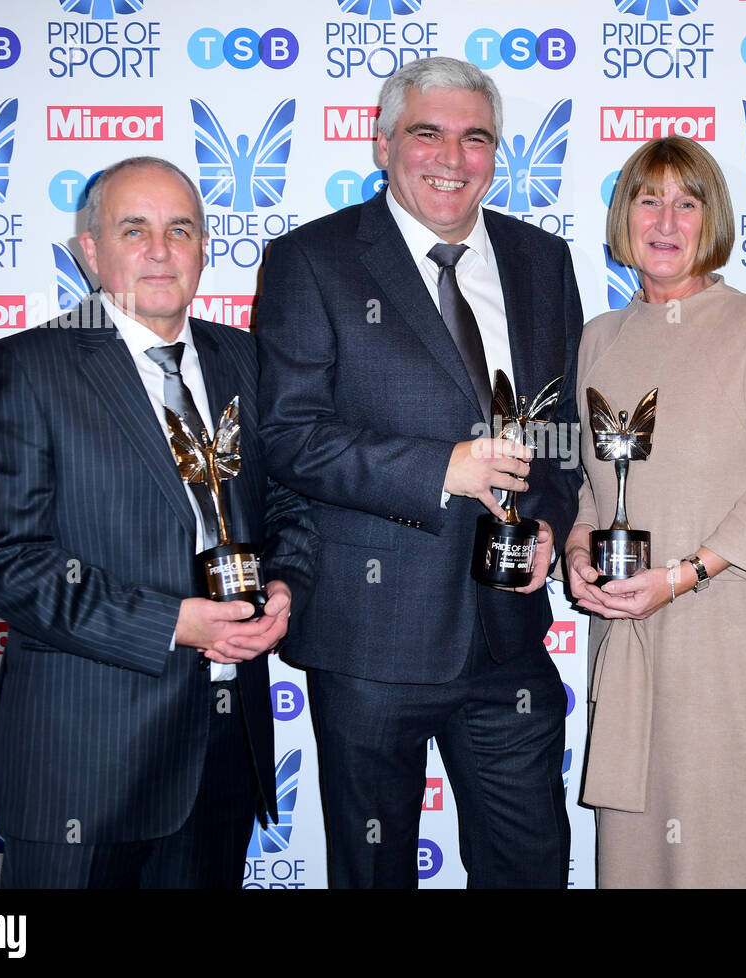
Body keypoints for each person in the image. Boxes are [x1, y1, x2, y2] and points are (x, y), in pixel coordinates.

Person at [256, 57, 583, 888]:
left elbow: (562, 432)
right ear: (382, 142)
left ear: (497, 152)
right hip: (369, 641)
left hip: (508, 641)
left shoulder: (542, 260)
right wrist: (444, 467)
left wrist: (545, 520)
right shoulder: (311, 260)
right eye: (427, 132)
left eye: (476, 137)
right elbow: (291, 436)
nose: (452, 156)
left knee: (533, 867)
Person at [0, 156, 311, 888]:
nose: (160, 250)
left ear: (205, 247)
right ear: (90, 250)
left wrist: (284, 585)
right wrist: (171, 623)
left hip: (222, 751)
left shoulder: (245, 359)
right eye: (134, 229)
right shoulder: (24, 367)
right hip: (83, 765)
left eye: (180, 229)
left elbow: (288, 503)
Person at [563, 136, 746, 888]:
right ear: (624, 215)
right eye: (649, 199)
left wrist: (678, 577)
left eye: (687, 201)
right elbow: (591, 486)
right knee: (636, 857)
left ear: (713, 219)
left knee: (724, 850)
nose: (666, 220)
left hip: (726, 637)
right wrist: (581, 553)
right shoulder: (600, 339)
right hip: (626, 634)